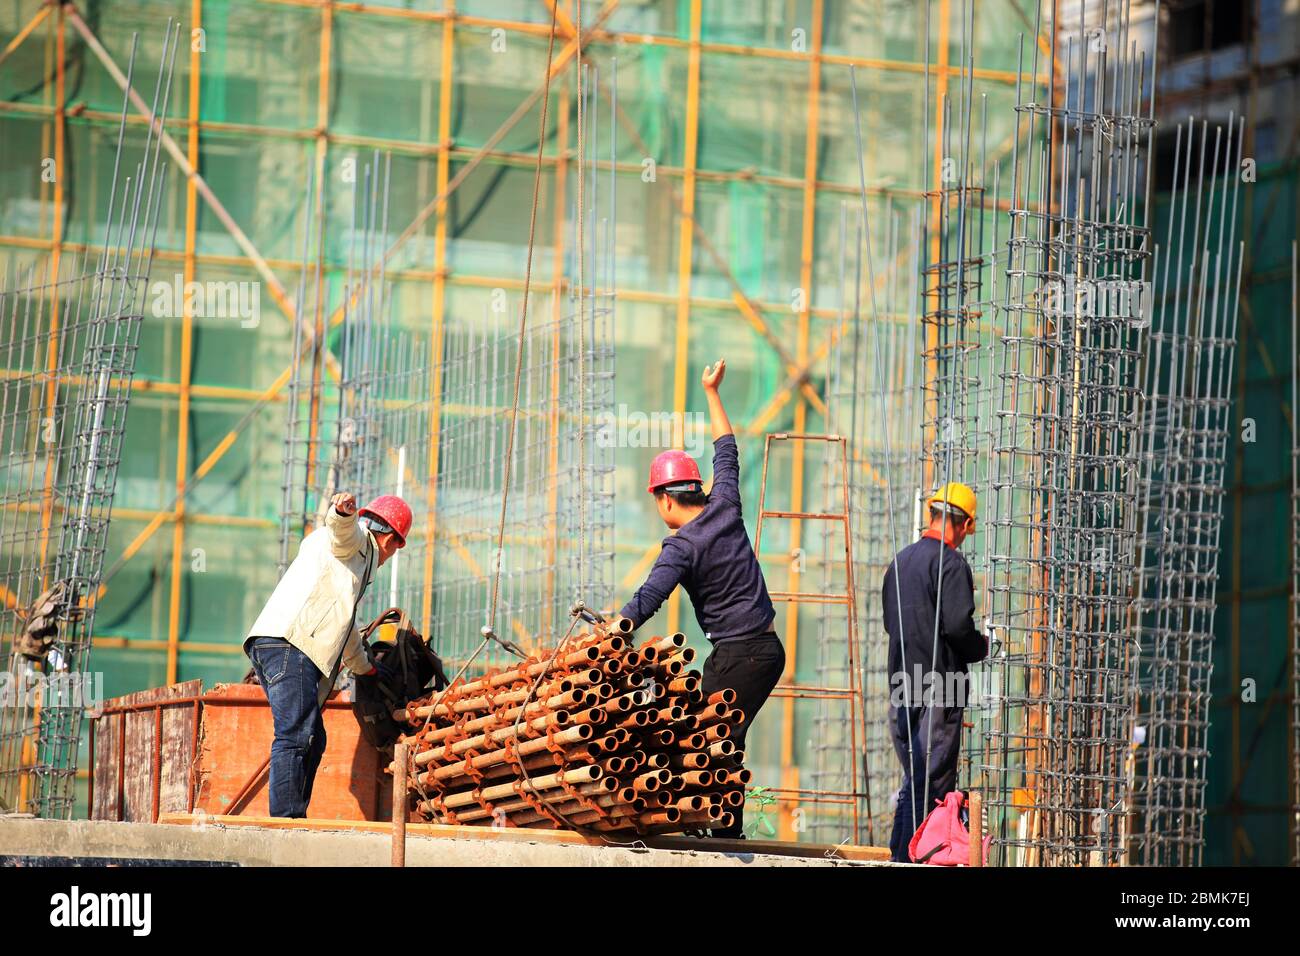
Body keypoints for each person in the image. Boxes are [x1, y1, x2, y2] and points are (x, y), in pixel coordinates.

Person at [616, 358, 784, 839]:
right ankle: (721, 827)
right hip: (764, 651)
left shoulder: (681, 545)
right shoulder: (725, 504)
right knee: (720, 733)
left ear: (666, 499)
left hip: (740, 653)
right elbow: (726, 451)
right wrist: (712, 391)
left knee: (713, 736)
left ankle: (724, 833)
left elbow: (651, 595)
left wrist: (616, 629)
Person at [243, 491, 411, 817]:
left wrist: (365, 668)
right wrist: (341, 512)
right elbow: (342, 532)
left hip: (274, 643)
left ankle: (293, 816)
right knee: (295, 735)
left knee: (313, 737)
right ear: (392, 541)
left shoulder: (344, 565)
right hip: (292, 644)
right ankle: (287, 824)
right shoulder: (357, 545)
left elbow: (344, 625)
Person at [881, 482, 988, 862]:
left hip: (901, 685)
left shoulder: (901, 561)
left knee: (916, 777)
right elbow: (959, 629)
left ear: (932, 515)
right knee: (933, 782)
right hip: (940, 688)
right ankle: (920, 857)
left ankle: (900, 855)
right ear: (964, 525)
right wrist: (984, 646)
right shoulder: (952, 564)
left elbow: (890, 623)